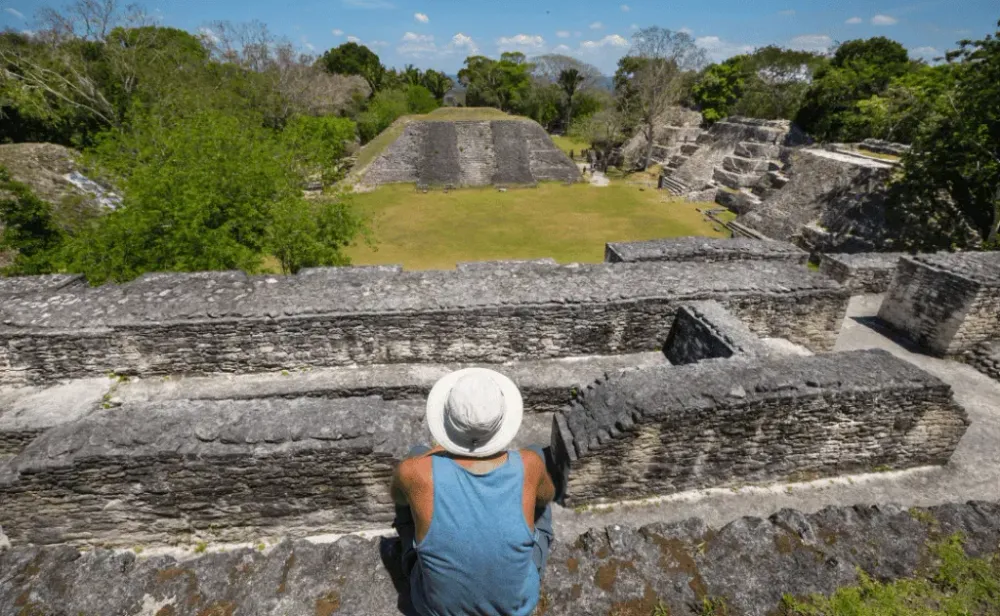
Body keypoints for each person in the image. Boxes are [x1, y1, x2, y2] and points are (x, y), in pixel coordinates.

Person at [391, 368, 557, 616]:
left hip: (436, 609)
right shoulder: (530, 465)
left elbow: (398, 497)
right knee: (537, 456)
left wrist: (434, 456)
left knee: (415, 454)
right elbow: (547, 496)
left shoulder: (413, 471)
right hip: (517, 607)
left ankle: (413, 551)